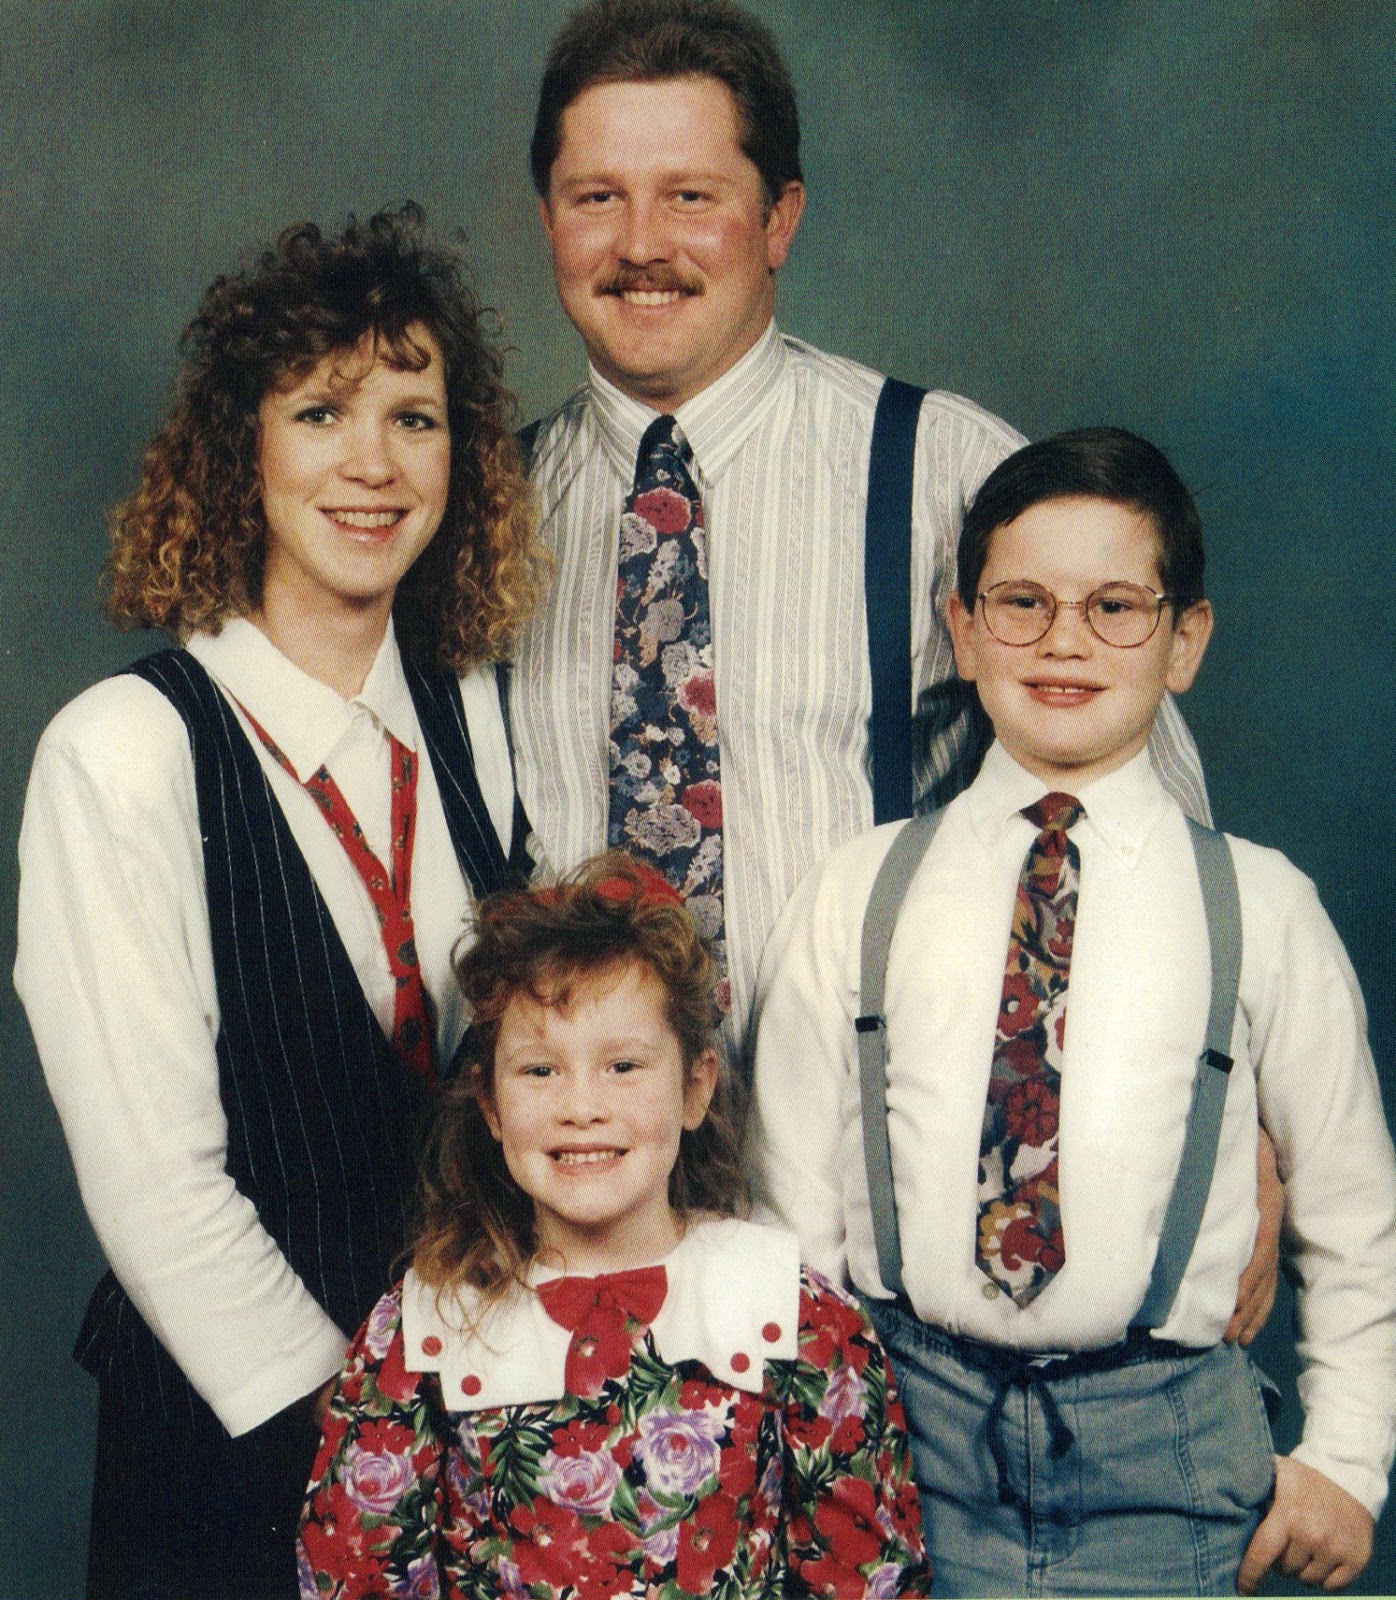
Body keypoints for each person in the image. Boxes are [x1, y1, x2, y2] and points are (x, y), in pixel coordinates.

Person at [750, 427, 1396, 1595]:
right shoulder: (858, 889)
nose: (1063, 641)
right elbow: (786, 1214)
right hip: (906, 1451)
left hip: (1174, 1470)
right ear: (962, 626)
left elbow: (1358, 1218)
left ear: (1183, 638)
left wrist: (1346, 1454)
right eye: (1022, 602)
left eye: (1114, 606)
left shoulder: (1262, 905)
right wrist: (813, 1447)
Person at [508, 0, 1211, 1064]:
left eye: (691, 197)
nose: (640, 245)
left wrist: (1211, 1097)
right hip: (585, 1180)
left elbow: (1152, 823)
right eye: (596, 197)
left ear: (779, 217)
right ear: (548, 221)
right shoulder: (477, 508)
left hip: (884, 1155)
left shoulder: (944, 472)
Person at [14, 205, 545, 1599]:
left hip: (476, 1405)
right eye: (321, 413)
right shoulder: (123, 754)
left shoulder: (474, 718)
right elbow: (156, 1186)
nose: (373, 464)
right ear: (238, 456)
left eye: (415, 418)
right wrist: (366, 1445)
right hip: (241, 1430)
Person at [296, 853, 931, 1598]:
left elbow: (868, 1580)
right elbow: (355, 1580)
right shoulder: (420, 1332)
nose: (581, 1106)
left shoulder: (798, 1317)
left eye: (623, 1066)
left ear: (695, 1088)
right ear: (492, 1106)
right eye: (540, 1071)